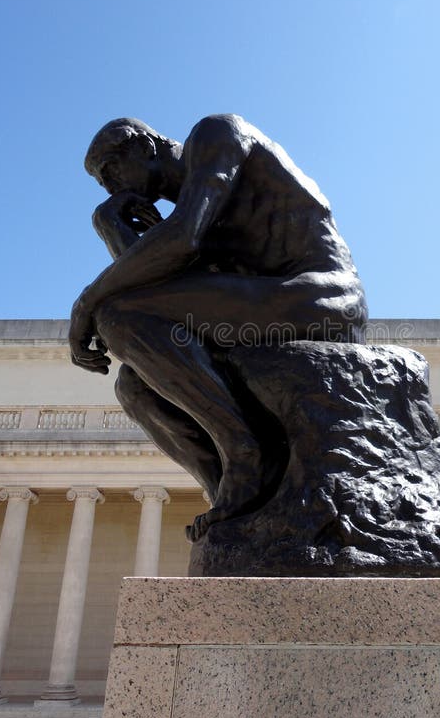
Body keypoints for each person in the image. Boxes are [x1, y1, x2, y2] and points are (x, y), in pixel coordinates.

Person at [70, 114, 368, 539]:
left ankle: (246, 453)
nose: (113, 188)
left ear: (143, 145)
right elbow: (158, 285)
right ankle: (233, 499)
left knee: (115, 315)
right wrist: (111, 227)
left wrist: (87, 303)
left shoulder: (216, 135)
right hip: (264, 306)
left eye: (111, 172)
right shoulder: (192, 209)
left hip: (319, 297)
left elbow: (181, 243)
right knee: (135, 387)